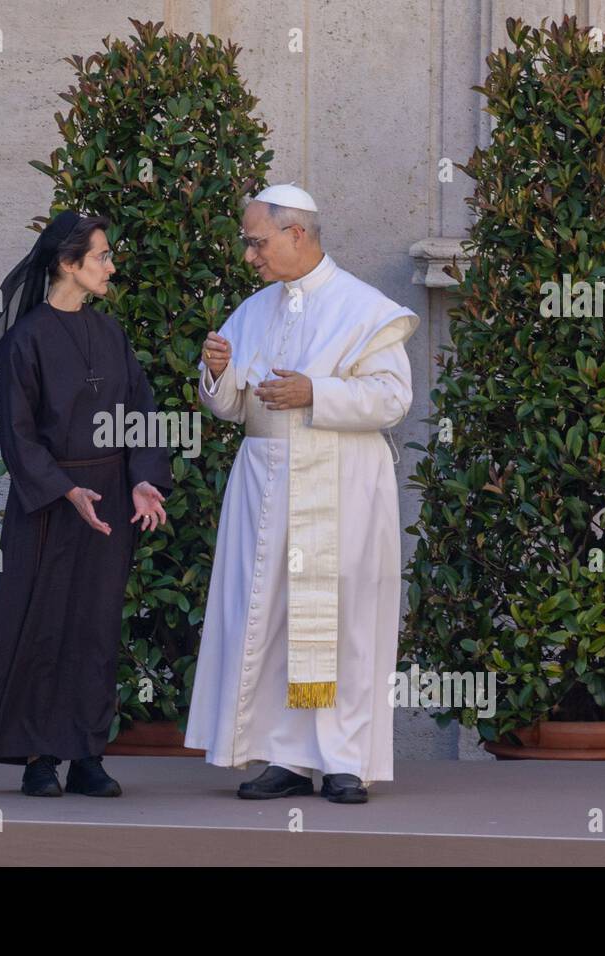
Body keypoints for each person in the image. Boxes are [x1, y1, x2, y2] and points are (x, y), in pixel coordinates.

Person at [183, 184, 419, 804]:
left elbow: (394, 399)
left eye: (257, 242)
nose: (250, 257)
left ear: (297, 234)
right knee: (273, 615)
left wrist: (317, 393)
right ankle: (285, 756)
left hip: (342, 483)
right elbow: (232, 406)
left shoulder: (365, 308)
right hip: (264, 481)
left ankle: (344, 760)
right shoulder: (255, 309)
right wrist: (216, 370)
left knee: (343, 621)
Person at [0, 211, 172, 798]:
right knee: (43, 628)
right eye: (101, 256)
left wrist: (144, 480)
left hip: (108, 507)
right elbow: (18, 435)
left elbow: (141, 414)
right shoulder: (27, 341)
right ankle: (39, 759)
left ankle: (87, 754)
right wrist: (66, 491)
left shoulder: (111, 334)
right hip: (49, 507)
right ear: (67, 264)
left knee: (95, 631)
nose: (111, 266)